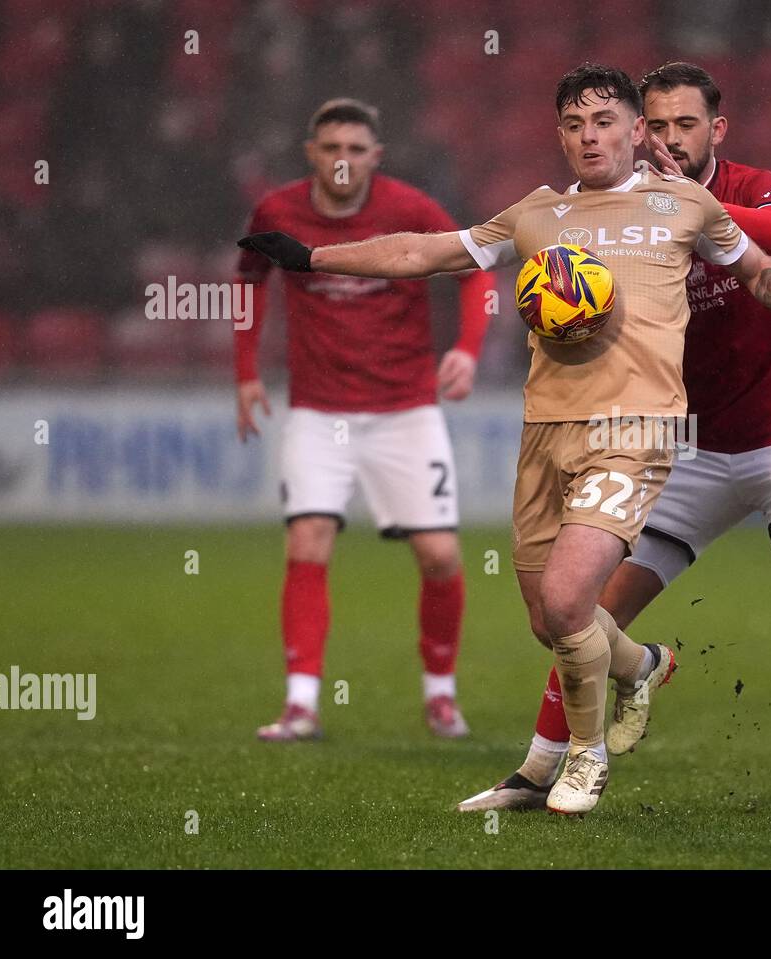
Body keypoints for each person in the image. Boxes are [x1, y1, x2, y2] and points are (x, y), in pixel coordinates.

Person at [238, 65, 771, 814]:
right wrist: (314, 257)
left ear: (634, 132)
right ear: (560, 136)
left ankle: (588, 758)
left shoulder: (685, 204)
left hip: (640, 431)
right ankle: (636, 672)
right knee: (554, 618)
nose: (589, 136)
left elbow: (766, 264)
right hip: (548, 433)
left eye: (605, 121)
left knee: (572, 599)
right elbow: (425, 253)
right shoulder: (536, 215)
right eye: (574, 125)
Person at [458, 62, 771, 818]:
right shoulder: (622, 207)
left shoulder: (742, 189)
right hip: (687, 445)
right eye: (662, 124)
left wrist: (690, 203)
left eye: (689, 124)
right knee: (579, 604)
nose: (674, 137)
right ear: (643, 127)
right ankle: (542, 764)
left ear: (717, 129)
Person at [235, 98, 494, 742]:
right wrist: (244, 372)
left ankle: (440, 695)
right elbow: (248, 279)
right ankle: (301, 704)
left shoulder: (412, 211)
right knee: (308, 541)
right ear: (311, 153)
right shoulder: (277, 211)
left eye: (355, 149)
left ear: (375, 157)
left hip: (406, 409)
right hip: (319, 412)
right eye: (331, 148)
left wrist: (467, 349)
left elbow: (476, 271)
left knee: (438, 555)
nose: (342, 159)